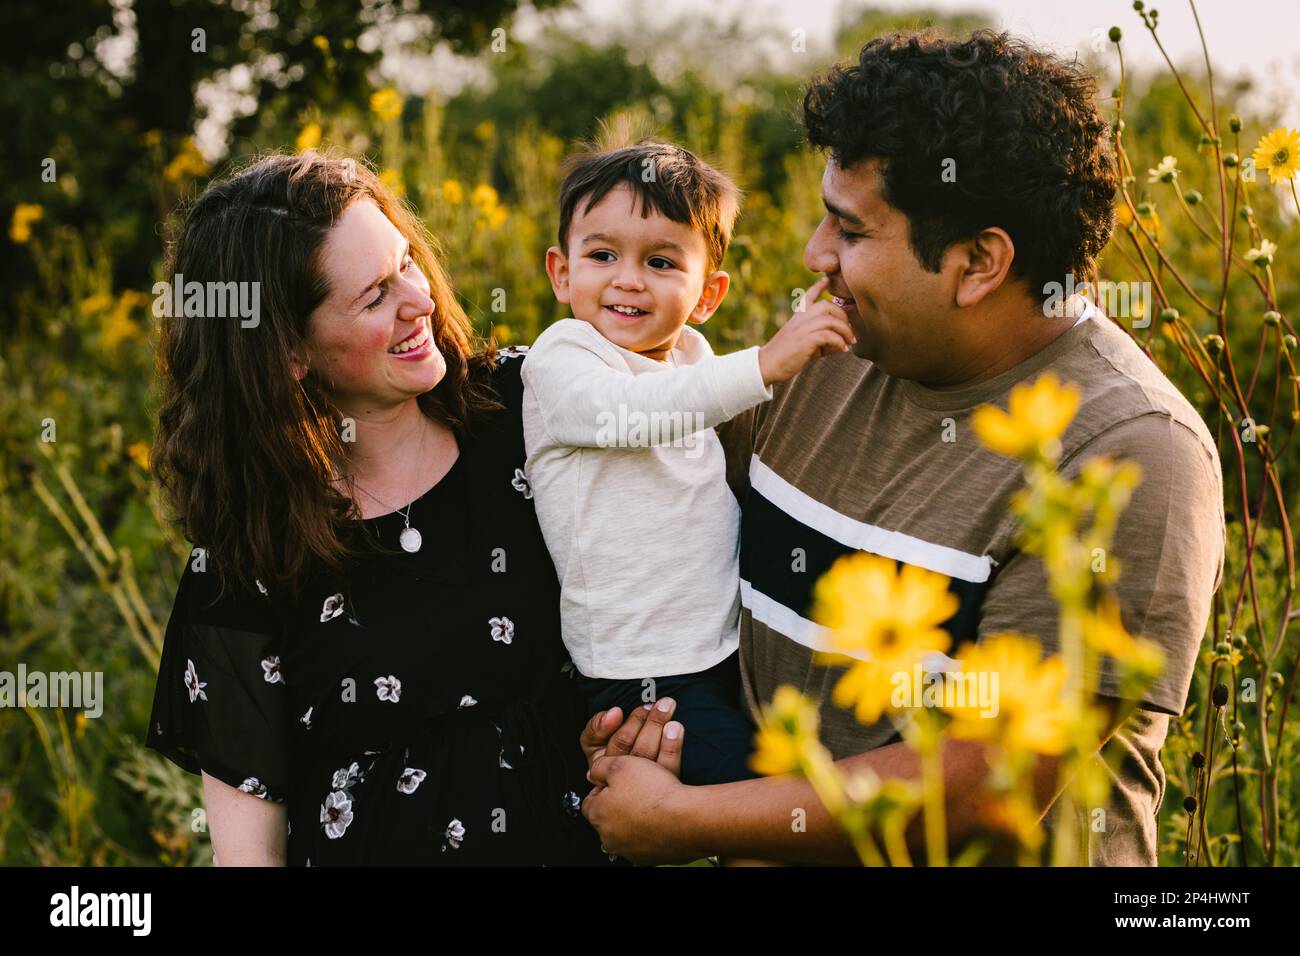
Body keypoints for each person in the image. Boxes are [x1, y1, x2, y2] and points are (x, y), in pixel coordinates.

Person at [580, 30, 1225, 866]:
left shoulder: (1131, 456)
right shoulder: (827, 351)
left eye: (849, 231)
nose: (815, 256)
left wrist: (687, 820)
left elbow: (992, 777)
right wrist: (646, 723)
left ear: (978, 263)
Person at [145, 152, 619, 866]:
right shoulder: (250, 556)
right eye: (374, 296)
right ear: (289, 354)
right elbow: (249, 855)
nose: (419, 300)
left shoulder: (537, 408)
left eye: (407, 263)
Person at [521, 139, 854, 785]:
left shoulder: (692, 361)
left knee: (776, 784)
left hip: (727, 651)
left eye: (662, 261)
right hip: (646, 670)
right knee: (750, 811)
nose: (627, 278)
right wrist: (765, 361)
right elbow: (636, 410)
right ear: (561, 272)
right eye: (602, 255)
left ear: (707, 295)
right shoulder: (563, 361)